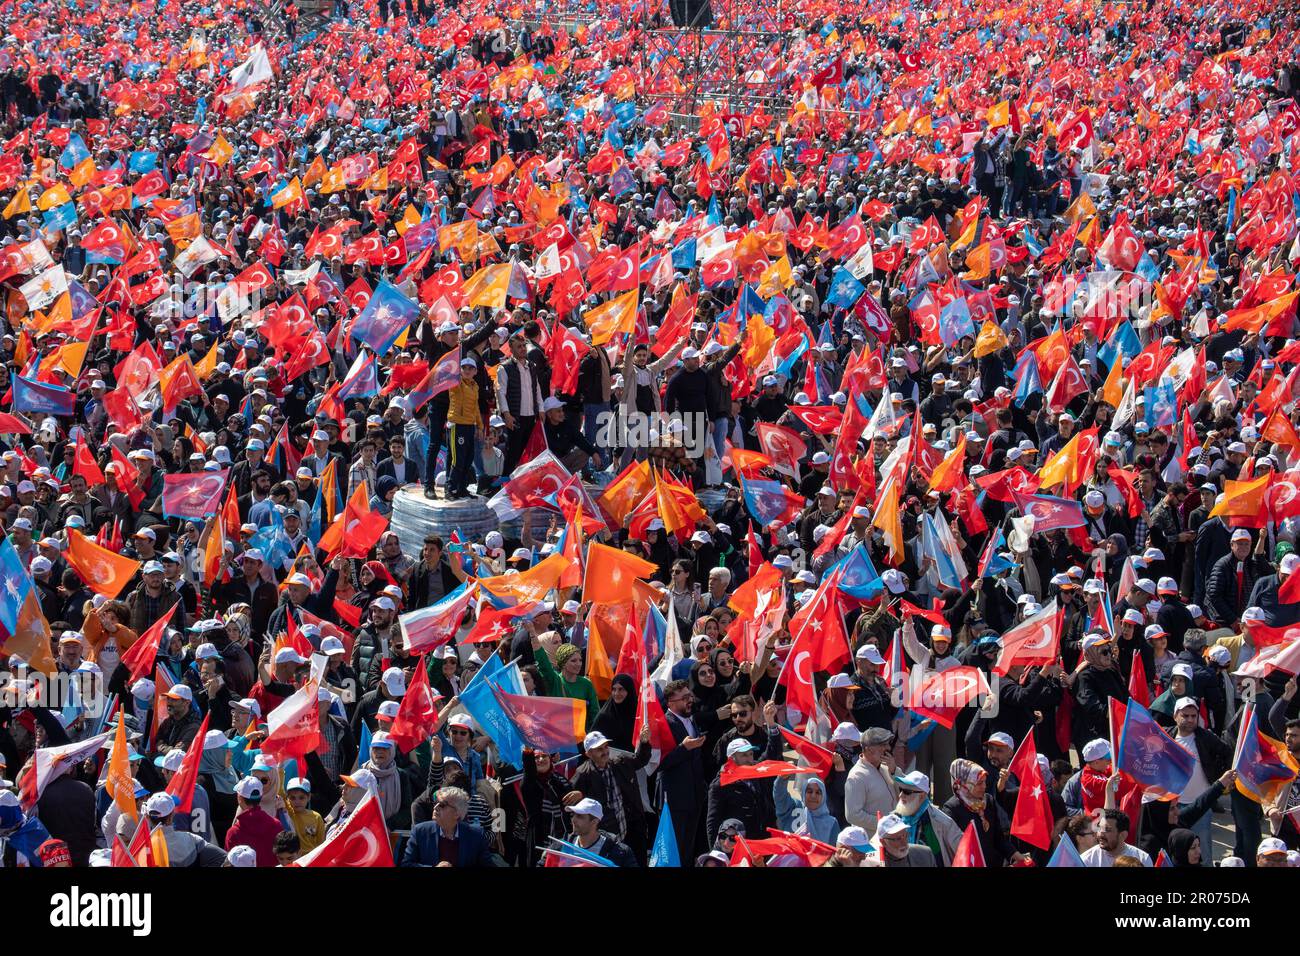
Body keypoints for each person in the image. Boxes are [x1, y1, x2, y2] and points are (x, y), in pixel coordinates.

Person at [401, 787, 495, 867]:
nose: (435, 807)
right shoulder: (420, 832)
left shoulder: (476, 835)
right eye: (435, 803)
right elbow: (406, 864)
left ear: (457, 813)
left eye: (442, 805)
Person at [563, 797, 638, 867]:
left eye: (579, 816)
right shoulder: (560, 846)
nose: (573, 820)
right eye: (572, 815)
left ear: (594, 822)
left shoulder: (620, 853)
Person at [1081, 809, 1153, 867]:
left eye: (1107, 829)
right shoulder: (1086, 860)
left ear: (1123, 835)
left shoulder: (1142, 859)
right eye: (1099, 828)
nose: (1100, 833)